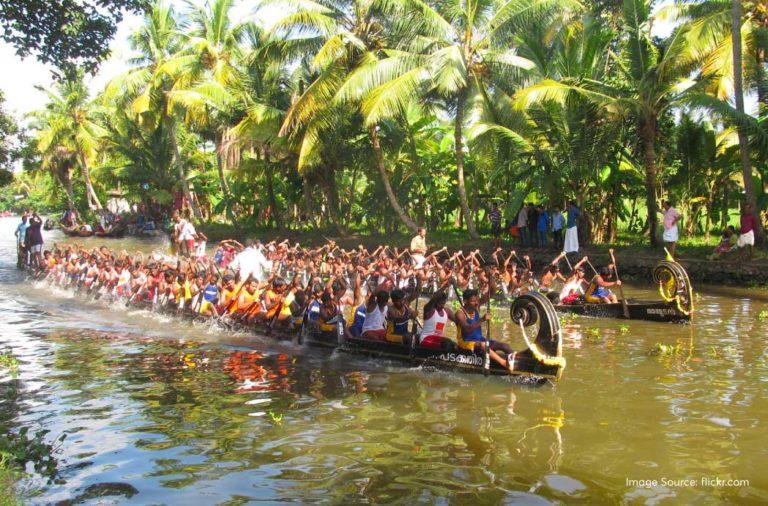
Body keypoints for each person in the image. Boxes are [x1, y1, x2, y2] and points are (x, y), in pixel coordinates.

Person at [454, 288, 514, 371]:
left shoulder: (476, 307)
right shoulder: (460, 313)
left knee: (504, 346)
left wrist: (490, 275)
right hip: (465, 342)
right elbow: (467, 329)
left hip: (479, 340)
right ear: (465, 301)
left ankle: (516, 360)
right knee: (483, 345)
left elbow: (492, 290)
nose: (476, 303)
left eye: (477, 301)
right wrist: (482, 319)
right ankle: (503, 362)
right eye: (473, 301)